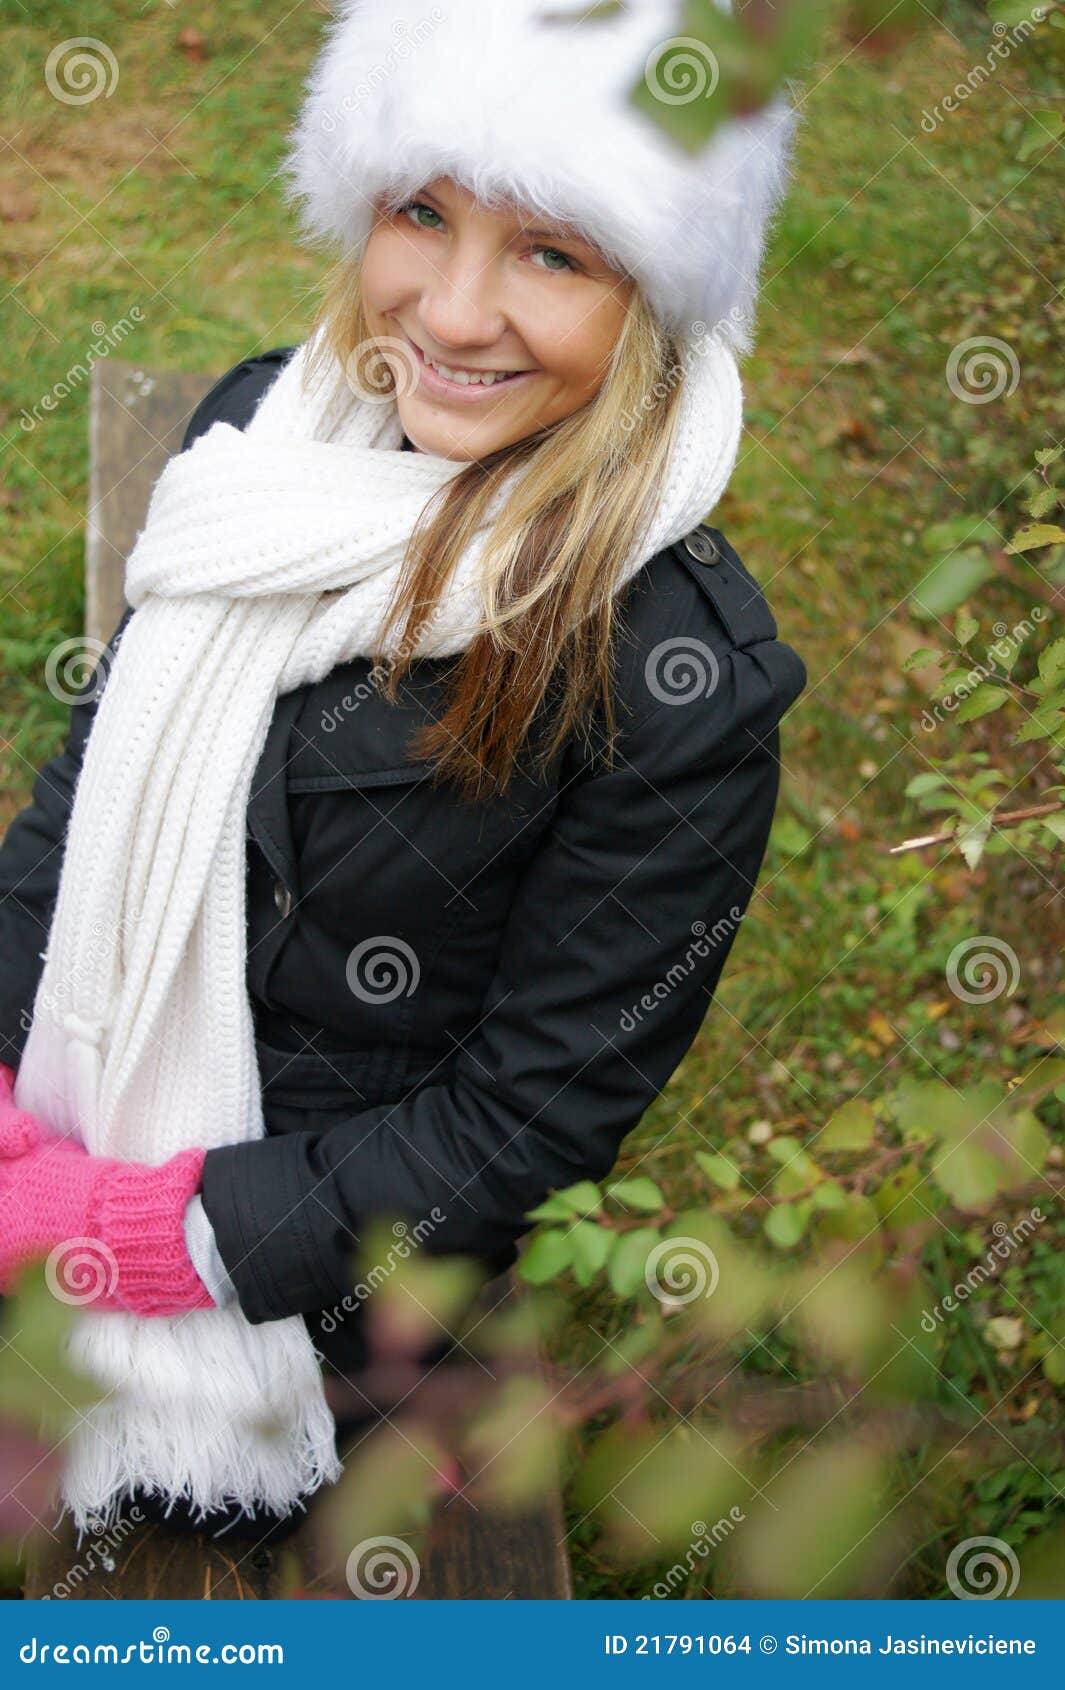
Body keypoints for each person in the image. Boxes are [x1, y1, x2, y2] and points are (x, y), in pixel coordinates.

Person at [0, 0, 805, 1549]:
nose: (449, 309)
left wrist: (145, 1234)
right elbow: (85, 795)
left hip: (318, 1293)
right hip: (69, 1120)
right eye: (421, 213)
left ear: (656, 298)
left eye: (552, 253)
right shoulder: (259, 435)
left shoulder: (672, 680)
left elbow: (519, 1122)